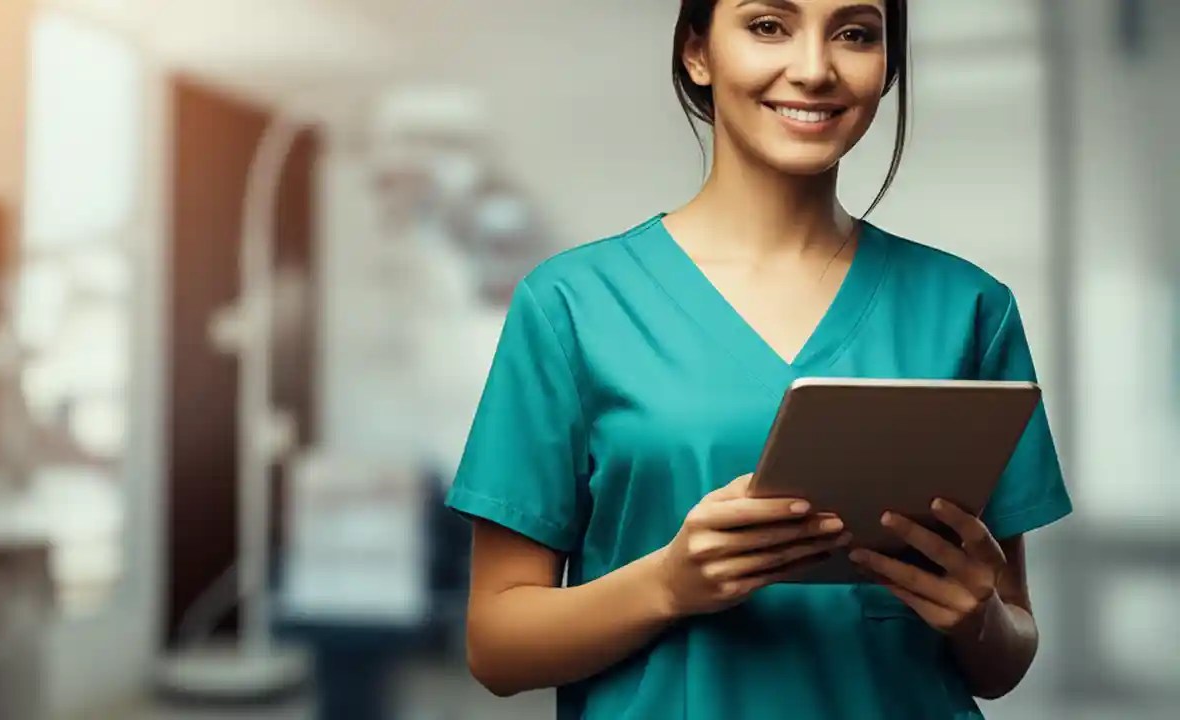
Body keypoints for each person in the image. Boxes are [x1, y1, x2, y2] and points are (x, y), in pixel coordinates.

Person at [444, 1, 1073, 718]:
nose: (813, 69)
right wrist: (667, 585)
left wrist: (976, 617)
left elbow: (1006, 654)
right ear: (697, 52)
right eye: (768, 25)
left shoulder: (968, 309)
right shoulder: (571, 305)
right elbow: (495, 646)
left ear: (888, 66)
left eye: (856, 34)